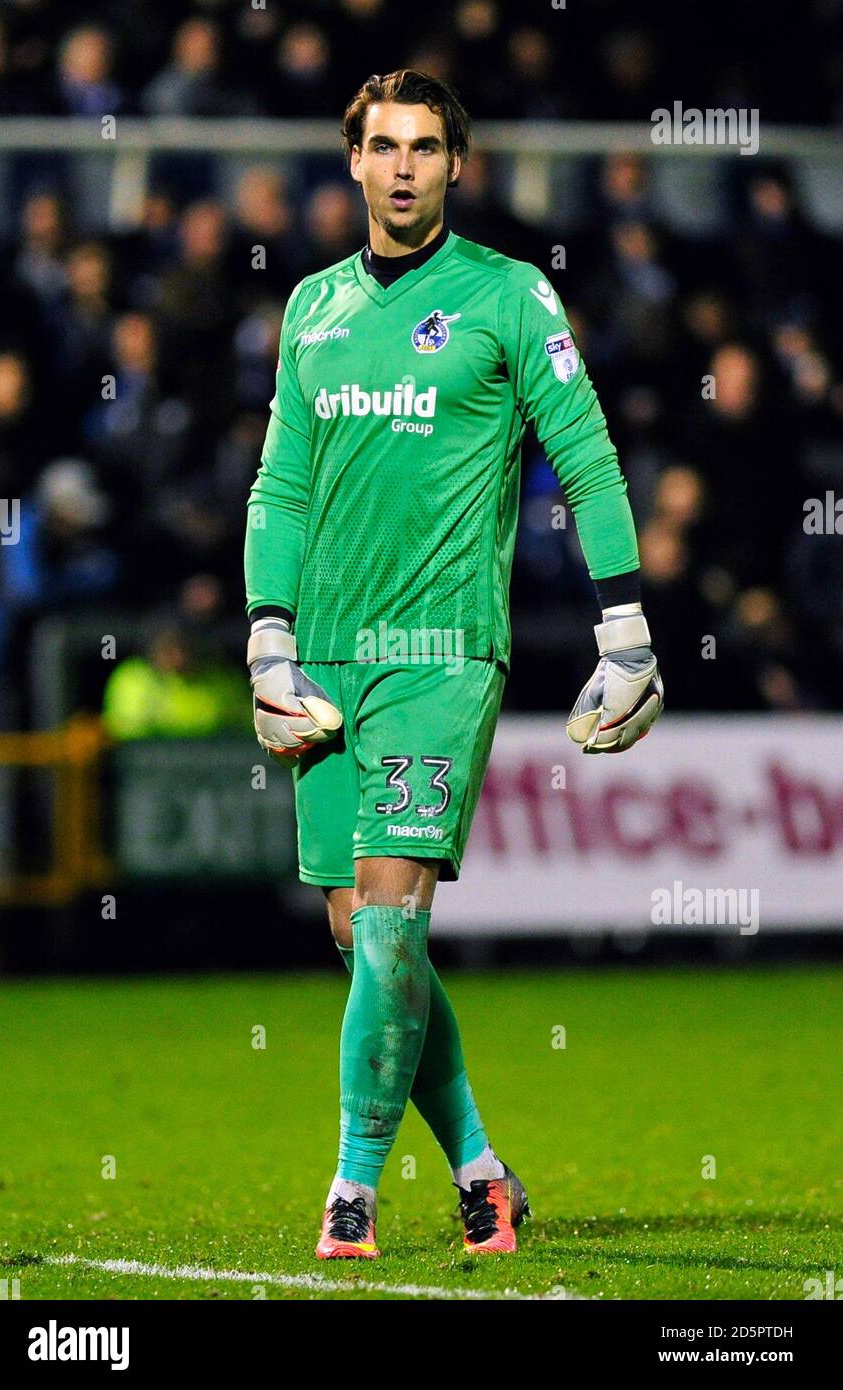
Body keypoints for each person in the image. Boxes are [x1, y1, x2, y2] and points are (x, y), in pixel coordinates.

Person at [243, 69, 663, 1260]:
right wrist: (268, 633)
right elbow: (279, 485)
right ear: (354, 162)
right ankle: (479, 1164)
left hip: (443, 655)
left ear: (456, 164)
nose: (404, 165)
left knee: (386, 923)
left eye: (426, 146)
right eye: (383, 145)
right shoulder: (311, 310)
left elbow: (587, 461)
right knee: (367, 937)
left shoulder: (509, 298)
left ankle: (351, 1188)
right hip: (324, 655)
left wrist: (622, 630)